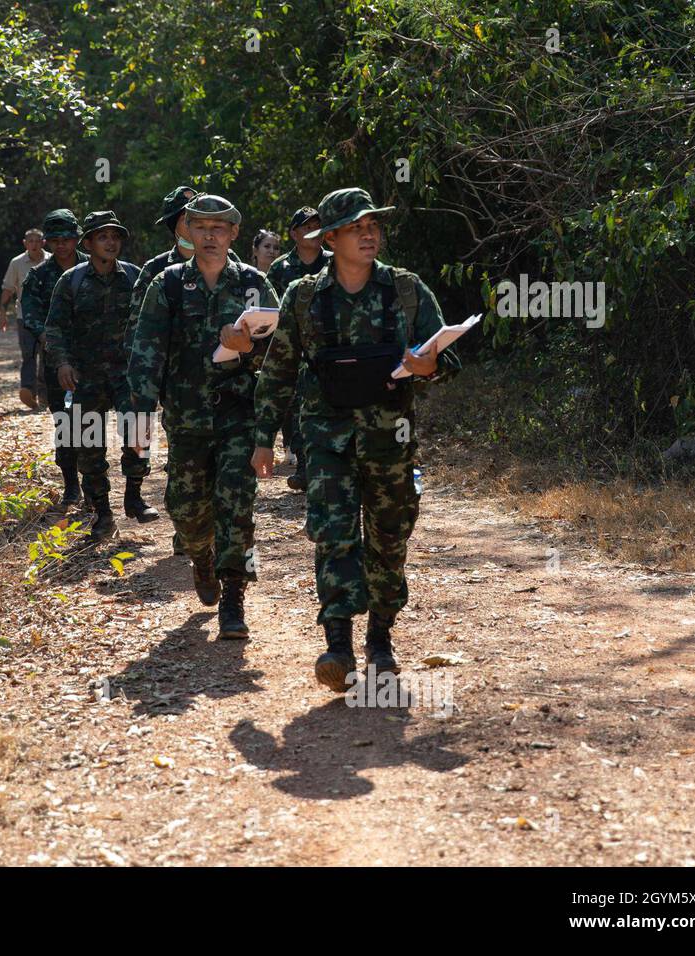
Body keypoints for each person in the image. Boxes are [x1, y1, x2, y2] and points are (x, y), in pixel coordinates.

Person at [251, 188, 461, 691]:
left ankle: (381, 638)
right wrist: (263, 438)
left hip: (391, 439)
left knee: (390, 536)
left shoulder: (406, 290)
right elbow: (277, 371)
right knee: (334, 534)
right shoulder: (304, 296)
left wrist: (429, 366)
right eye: (356, 228)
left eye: (374, 226)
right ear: (331, 238)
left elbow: (446, 359)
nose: (369, 234)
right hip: (326, 438)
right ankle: (338, 644)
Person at [128, 195, 280, 639]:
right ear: (187, 233)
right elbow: (146, 351)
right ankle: (202, 557)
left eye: (219, 228)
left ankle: (234, 600)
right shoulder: (168, 285)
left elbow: (281, 356)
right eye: (200, 228)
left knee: (235, 503)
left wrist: (250, 350)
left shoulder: (254, 286)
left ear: (234, 234)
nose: (210, 236)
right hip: (186, 416)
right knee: (186, 508)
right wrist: (139, 416)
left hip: (238, 412)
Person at [44, 211, 156, 540]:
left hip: (127, 374)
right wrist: (63, 363)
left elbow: (150, 325)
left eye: (116, 236)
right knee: (88, 447)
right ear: (89, 243)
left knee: (139, 432)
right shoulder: (72, 281)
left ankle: (134, 495)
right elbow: (55, 329)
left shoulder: (136, 278)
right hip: (86, 377)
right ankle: (103, 513)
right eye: (103, 236)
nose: (111, 242)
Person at [21, 210, 88, 507]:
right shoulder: (39, 276)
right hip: (55, 361)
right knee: (65, 422)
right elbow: (31, 316)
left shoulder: (93, 266)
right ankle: (71, 485)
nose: (62, 245)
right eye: (56, 240)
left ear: (76, 238)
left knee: (90, 422)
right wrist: (48, 337)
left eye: (68, 239)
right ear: (48, 242)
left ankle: (94, 486)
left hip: (91, 359)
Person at [266, 206, 332, 491]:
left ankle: (325, 465)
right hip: (293, 346)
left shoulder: (335, 262)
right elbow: (269, 310)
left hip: (329, 347)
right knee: (296, 406)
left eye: (317, 225)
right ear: (294, 233)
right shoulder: (280, 268)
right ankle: (305, 465)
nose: (312, 231)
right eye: (306, 226)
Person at [0, 227, 46, 409]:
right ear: (25, 243)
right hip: (24, 316)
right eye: (31, 241)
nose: (34, 244)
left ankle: (45, 395)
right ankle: (28, 391)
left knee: (48, 356)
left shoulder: (52, 261)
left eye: (38, 241)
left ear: (43, 242)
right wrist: (2, 312)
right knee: (28, 355)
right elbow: (8, 288)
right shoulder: (17, 263)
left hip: (49, 316)